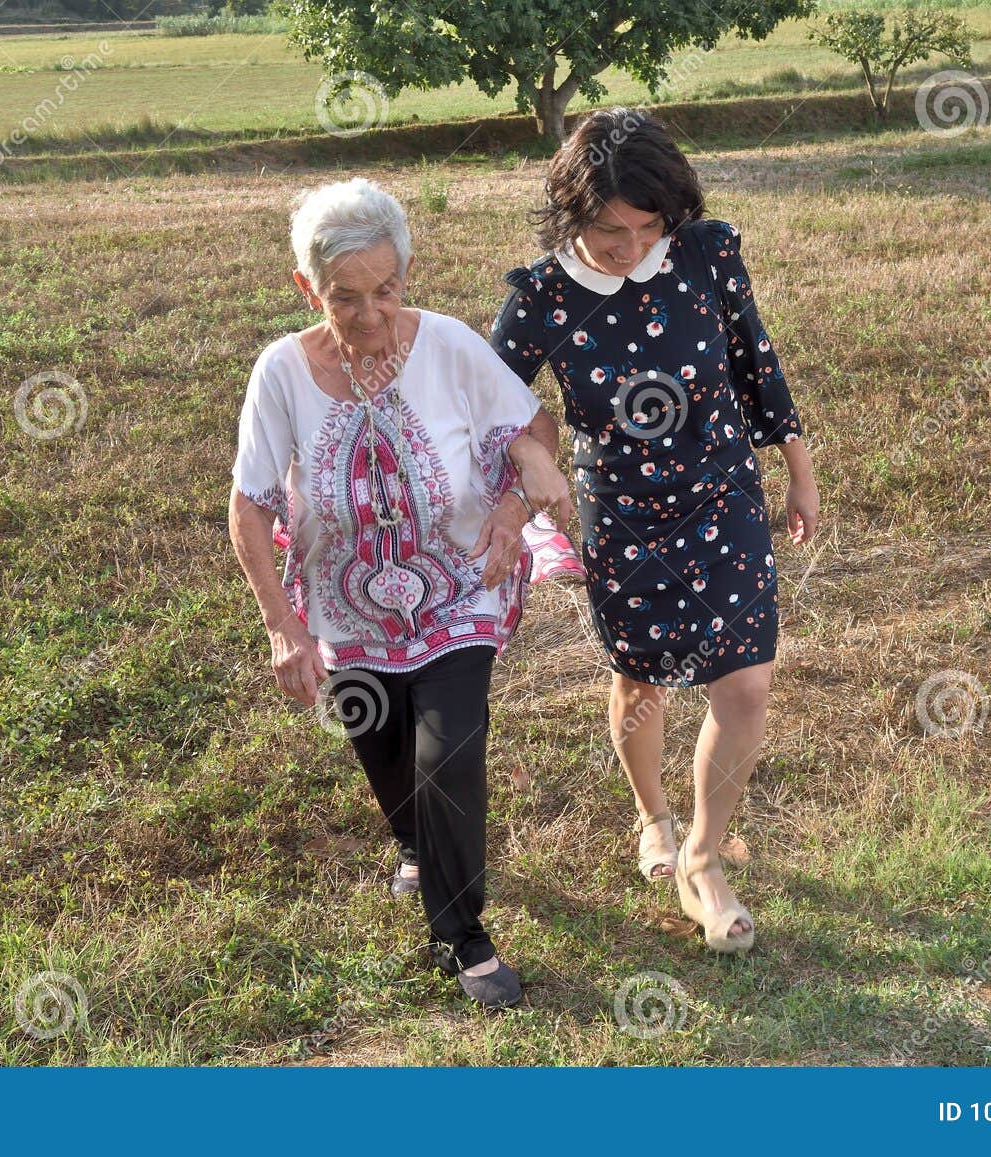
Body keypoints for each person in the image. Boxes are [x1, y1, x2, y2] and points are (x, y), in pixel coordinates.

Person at [230, 177, 571, 1005]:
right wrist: (284, 627)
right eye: (349, 297)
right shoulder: (282, 371)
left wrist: (515, 498)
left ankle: (464, 939)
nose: (374, 314)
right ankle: (418, 843)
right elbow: (248, 504)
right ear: (307, 289)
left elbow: (532, 428)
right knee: (387, 758)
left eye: (388, 289)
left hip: (459, 588)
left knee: (446, 750)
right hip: (344, 610)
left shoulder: (449, 345)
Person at [490, 109, 821, 953]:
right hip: (623, 512)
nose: (631, 245)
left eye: (648, 226)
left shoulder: (707, 252)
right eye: (608, 230)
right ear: (572, 215)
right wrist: (534, 458)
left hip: (723, 495)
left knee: (745, 684)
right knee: (642, 682)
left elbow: (754, 356)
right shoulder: (544, 295)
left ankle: (702, 861)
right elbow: (493, 406)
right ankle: (654, 816)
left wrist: (797, 459)